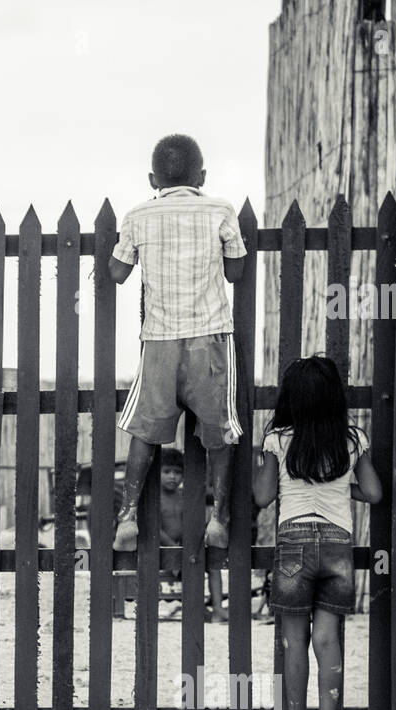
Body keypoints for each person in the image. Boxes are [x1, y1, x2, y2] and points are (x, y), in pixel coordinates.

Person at [108, 134, 247, 554]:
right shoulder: (220, 209)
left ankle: (128, 515)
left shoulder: (138, 216)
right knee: (221, 432)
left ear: (153, 178)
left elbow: (117, 272)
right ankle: (218, 517)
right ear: (202, 176)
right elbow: (236, 272)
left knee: (145, 431)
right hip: (210, 338)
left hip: (160, 340)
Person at [249, 356, 383, 710]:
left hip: (293, 542)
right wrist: (345, 490)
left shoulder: (278, 439)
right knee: (327, 640)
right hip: (338, 544)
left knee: (295, 642)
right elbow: (375, 493)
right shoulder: (352, 438)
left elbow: (262, 497)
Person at [151, 447, 227, 621]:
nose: (172, 476)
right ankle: (196, 607)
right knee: (190, 567)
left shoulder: (183, 496)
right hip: (164, 549)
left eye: (177, 472)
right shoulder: (155, 497)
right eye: (167, 471)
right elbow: (155, 529)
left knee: (213, 566)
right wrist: (173, 546)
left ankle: (218, 607)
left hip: (186, 546)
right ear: (158, 473)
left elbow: (192, 523)